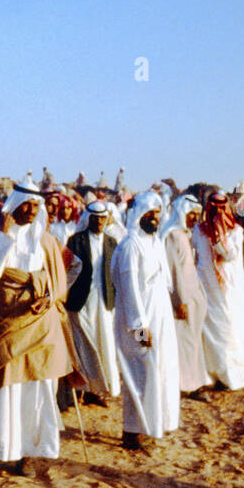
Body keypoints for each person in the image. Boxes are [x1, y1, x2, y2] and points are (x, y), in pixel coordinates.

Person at [0, 179, 79, 474]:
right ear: (14, 206)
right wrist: (7, 235)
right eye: (27, 205)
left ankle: (30, 453)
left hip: (40, 324)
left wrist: (48, 297)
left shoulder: (45, 241)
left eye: (37, 206)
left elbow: (59, 282)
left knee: (38, 386)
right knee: (4, 387)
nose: (31, 211)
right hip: (8, 323)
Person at [113, 191, 180, 449]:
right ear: (138, 215)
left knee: (158, 371)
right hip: (139, 322)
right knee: (140, 373)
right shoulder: (130, 245)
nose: (154, 218)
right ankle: (132, 431)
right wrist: (140, 327)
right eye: (149, 214)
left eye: (157, 214)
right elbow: (128, 287)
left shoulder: (154, 242)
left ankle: (150, 425)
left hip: (160, 318)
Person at [193, 191, 244, 390]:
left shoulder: (236, 232)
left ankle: (230, 374)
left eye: (221, 206)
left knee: (228, 328)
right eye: (213, 206)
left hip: (228, 291)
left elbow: (228, 254)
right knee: (208, 329)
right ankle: (210, 374)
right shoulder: (198, 231)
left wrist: (218, 234)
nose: (217, 211)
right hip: (206, 286)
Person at [64, 200, 120, 404]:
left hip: (105, 300)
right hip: (81, 300)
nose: (99, 222)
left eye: (103, 218)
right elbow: (67, 270)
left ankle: (100, 389)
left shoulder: (112, 242)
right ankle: (83, 388)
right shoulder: (75, 241)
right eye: (95, 218)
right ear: (89, 218)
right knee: (84, 343)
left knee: (104, 342)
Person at [160, 193, 209, 397]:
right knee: (185, 344)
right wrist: (179, 301)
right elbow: (174, 272)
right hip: (183, 301)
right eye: (191, 214)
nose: (194, 218)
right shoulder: (172, 235)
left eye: (197, 214)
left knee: (193, 342)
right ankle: (186, 384)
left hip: (194, 296)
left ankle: (194, 381)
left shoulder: (184, 234)